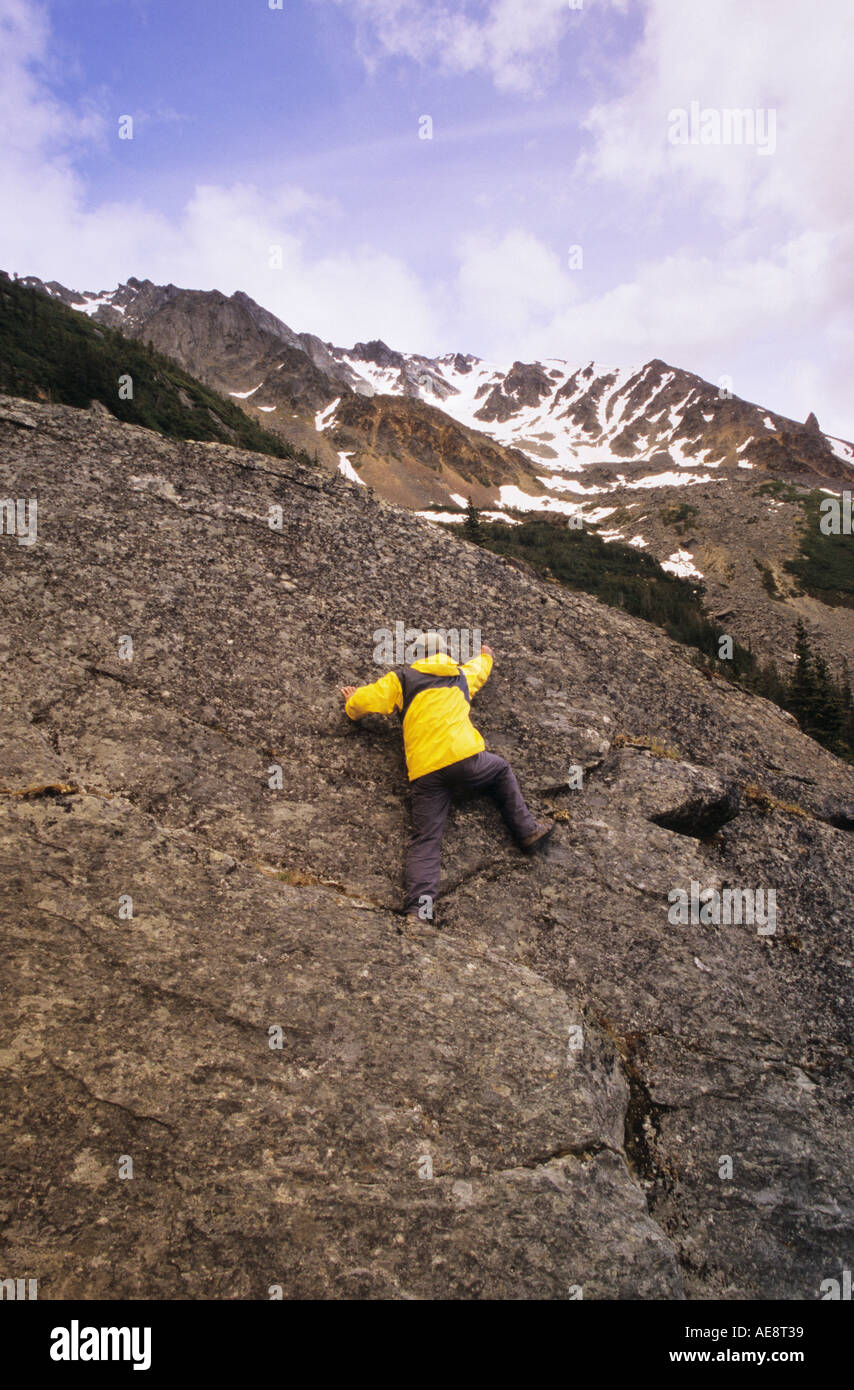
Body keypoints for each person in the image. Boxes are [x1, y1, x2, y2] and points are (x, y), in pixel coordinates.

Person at [340, 631, 554, 927]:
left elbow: (365, 701)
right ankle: (527, 831)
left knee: (426, 839)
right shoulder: (460, 676)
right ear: (444, 653)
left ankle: (419, 912)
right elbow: (480, 671)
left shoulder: (401, 679)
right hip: (468, 760)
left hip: (426, 771)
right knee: (501, 769)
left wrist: (351, 707)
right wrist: (487, 654)